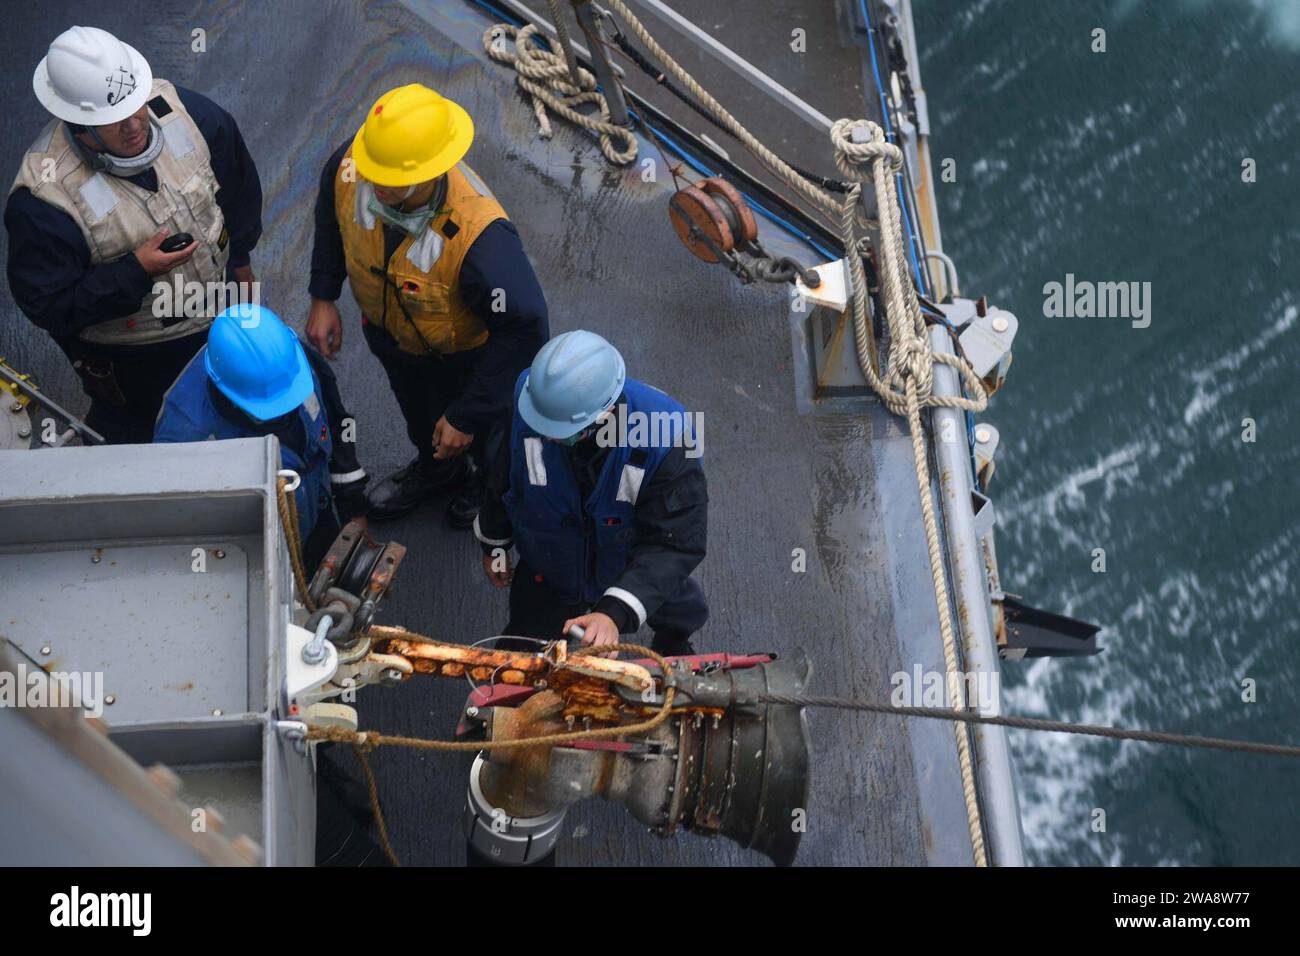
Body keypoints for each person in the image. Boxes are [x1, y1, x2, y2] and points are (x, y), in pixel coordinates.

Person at [5, 25, 262, 444]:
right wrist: (135, 270)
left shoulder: (190, 114)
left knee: (239, 415)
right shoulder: (43, 200)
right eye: (113, 120)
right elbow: (51, 306)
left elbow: (238, 188)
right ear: (78, 122)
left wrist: (241, 261)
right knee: (144, 448)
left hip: (221, 310)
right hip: (136, 361)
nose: (134, 125)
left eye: (135, 105)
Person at [306, 83, 548, 528]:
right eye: (372, 171)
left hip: (467, 359)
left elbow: (525, 328)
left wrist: (466, 414)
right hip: (393, 340)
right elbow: (330, 216)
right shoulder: (353, 164)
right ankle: (438, 469)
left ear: (431, 172)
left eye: (390, 180)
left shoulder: (482, 239)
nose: (374, 184)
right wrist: (324, 295)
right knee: (421, 419)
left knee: (490, 438)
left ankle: (487, 488)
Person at [475, 330, 708, 657]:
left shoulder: (667, 438)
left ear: (605, 416)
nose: (548, 438)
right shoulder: (532, 401)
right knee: (524, 643)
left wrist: (615, 612)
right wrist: (494, 545)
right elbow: (501, 478)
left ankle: (673, 644)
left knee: (678, 612)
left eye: (561, 433)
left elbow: (674, 542)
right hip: (551, 566)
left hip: (629, 562)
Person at [154, 304, 367, 566]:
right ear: (227, 394)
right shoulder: (184, 440)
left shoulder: (291, 361)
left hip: (318, 514)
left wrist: (353, 508)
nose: (284, 414)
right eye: (271, 411)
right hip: (257, 554)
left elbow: (340, 422)